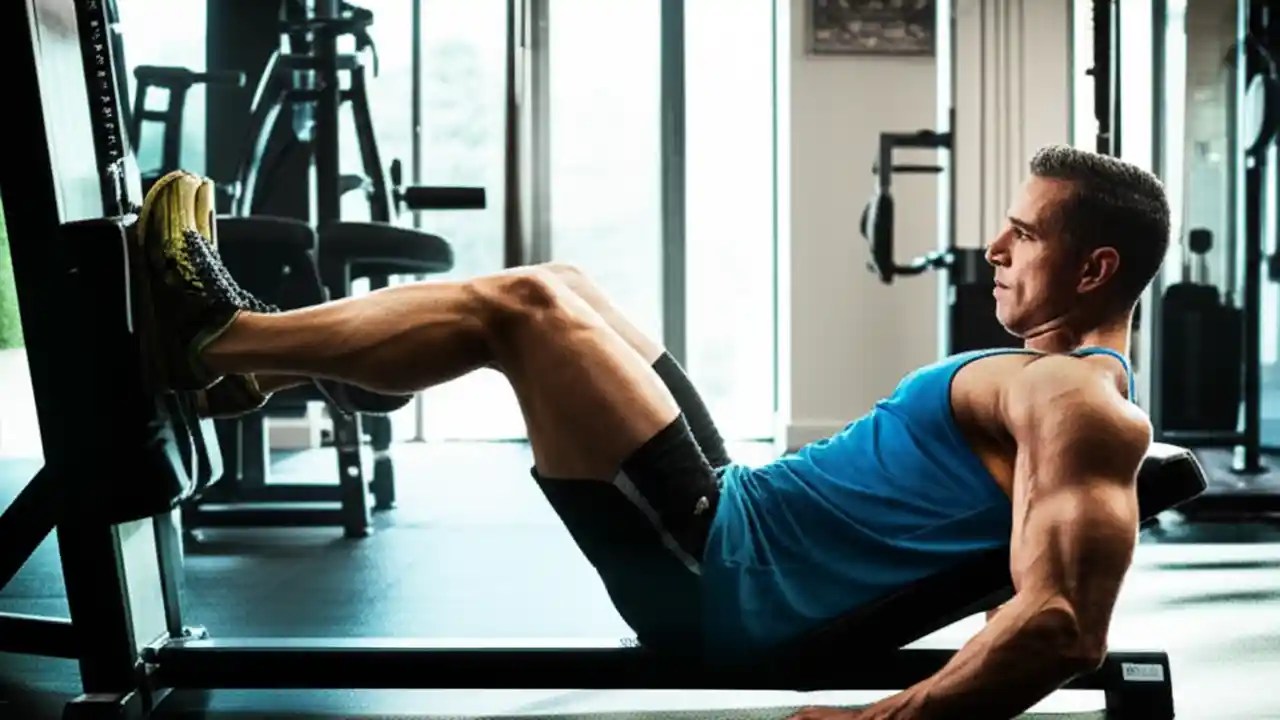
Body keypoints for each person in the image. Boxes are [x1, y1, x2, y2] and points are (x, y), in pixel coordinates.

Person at [134, 143, 1167, 720]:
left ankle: (214, 340)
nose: (990, 246)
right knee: (570, 285)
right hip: (743, 504)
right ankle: (271, 365)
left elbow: (1062, 624)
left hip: (719, 568)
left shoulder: (1078, 404)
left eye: (1021, 234)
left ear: (1091, 271)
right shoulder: (1049, 384)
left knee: (526, 307)